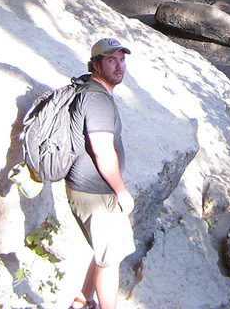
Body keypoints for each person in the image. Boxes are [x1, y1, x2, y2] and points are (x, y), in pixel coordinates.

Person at [66, 38, 136, 309]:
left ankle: (83, 299)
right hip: (94, 192)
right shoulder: (97, 100)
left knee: (106, 249)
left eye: (121, 59)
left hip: (93, 188)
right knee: (111, 260)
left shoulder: (92, 90)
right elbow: (103, 152)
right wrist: (122, 192)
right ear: (96, 65)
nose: (119, 67)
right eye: (111, 60)